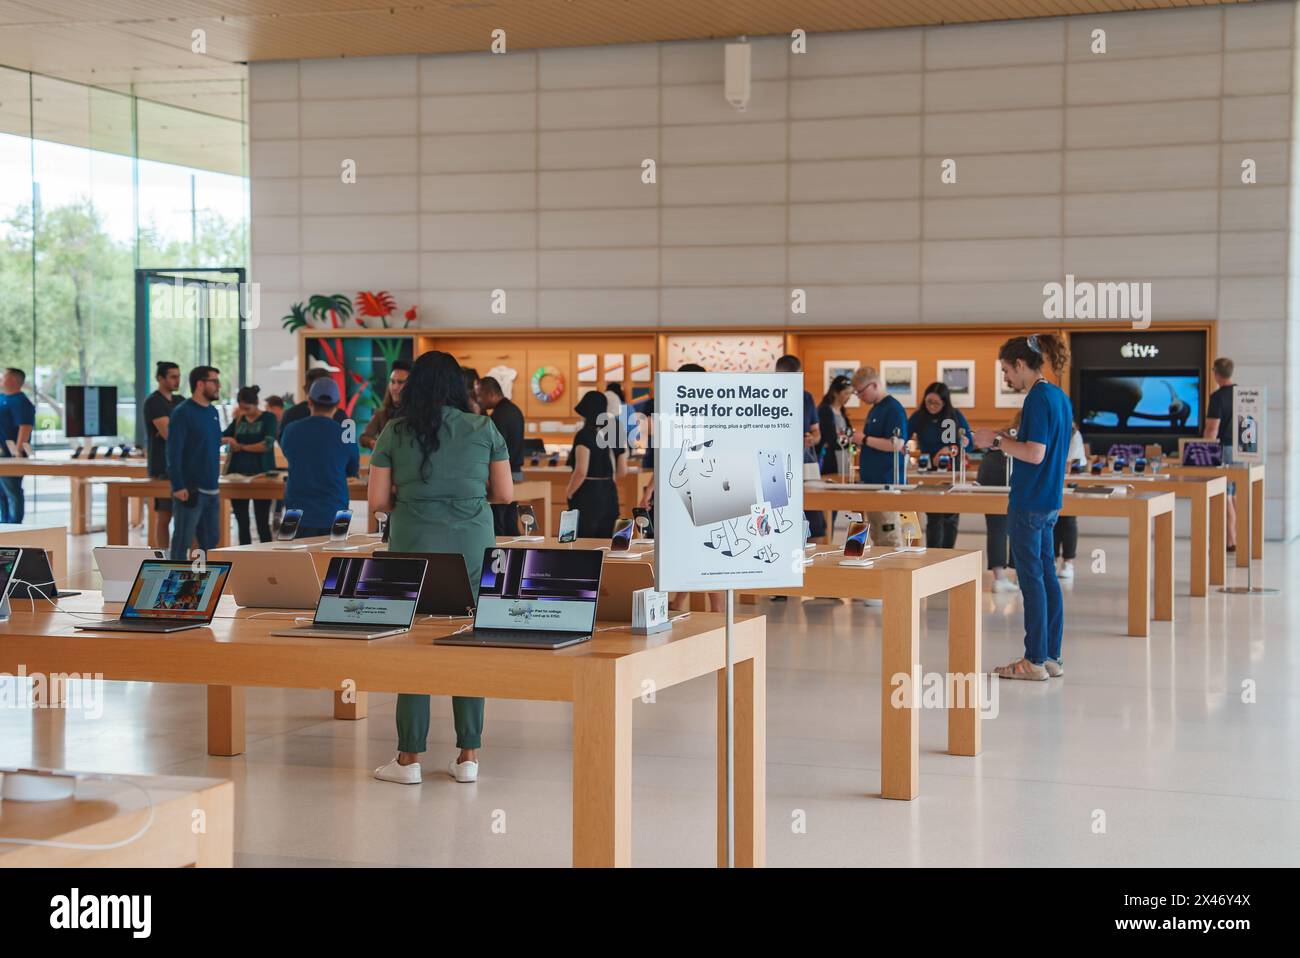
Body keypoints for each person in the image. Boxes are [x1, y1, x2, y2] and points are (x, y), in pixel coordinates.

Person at [369, 351, 512, 786]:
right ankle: (468, 755)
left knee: (411, 645)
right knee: (471, 640)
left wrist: (412, 498)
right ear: (460, 386)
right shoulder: (485, 427)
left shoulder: (394, 430)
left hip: (412, 544)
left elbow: (377, 503)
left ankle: (408, 759)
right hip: (472, 547)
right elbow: (504, 494)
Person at [973, 333, 1072, 682]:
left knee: (1032, 581)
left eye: (1006, 371)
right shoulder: (1059, 397)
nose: (1006, 379)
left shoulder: (1037, 399)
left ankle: (1033, 659)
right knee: (1046, 578)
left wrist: (996, 441)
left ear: (1019, 364)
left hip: (1030, 501)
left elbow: (1034, 452)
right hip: (1048, 501)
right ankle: (1050, 655)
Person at [279, 377, 360, 538]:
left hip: (295, 512)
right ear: (337, 405)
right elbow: (352, 469)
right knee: (335, 560)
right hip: (336, 512)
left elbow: (287, 453)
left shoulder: (291, 430)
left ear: (309, 401)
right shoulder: (346, 434)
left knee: (294, 560)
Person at [167, 366, 224, 561]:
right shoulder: (182, 413)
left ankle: (204, 586)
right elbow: (173, 452)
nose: (219, 386)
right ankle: (172, 587)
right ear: (200, 384)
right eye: (214, 381)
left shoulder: (213, 412)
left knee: (211, 542)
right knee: (182, 542)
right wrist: (178, 485)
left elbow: (213, 444)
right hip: (190, 490)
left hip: (212, 490)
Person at [907, 382, 972, 548]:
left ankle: (948, 554)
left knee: (950, 516)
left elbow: (969, 443)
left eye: (936, 403)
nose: (932, 406)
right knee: (934, 516)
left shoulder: (954, 416)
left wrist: (949, 448)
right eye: (929, 402)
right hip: (929, 471)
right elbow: (903, 437)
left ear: (945, 402)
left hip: (951, 470)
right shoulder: (919, 416)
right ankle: (933, 556)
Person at [851, 365, 908, 547]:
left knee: (889, 538)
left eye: (861, 392)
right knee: (877, 536)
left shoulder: (893, 408)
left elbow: (896, 444)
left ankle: (896, 575)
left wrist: (864, 439)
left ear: (874, 385)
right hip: (871, 483)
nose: (860, 397)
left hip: (887, 484)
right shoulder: (874, 409)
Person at [775, 356, 824, 542]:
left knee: (814, 522)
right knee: (781, 520)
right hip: (777, 467)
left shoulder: (806, 397)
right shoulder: (765, 395)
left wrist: (811, 439)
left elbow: (816, 434)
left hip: (803, 466)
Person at [566, 389, 627, 539]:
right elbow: (622, 470)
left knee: (583, 545)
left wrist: (569, 491)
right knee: (607, 544)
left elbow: (581, 471)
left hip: (588, 495)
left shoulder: (584, 435)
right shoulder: (613, 432)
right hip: (610, 493)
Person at [222, 386, 278, 544]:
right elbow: (221, 436)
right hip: (237, 476)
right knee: (242, 522)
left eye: (247, 408)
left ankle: (266, 557)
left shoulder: (269, 418)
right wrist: (229, 440)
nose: (245, 411)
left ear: (255, 404)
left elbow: (267, 444)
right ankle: (243, 555)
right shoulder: (239, 419)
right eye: (241, 408)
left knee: (262, 521)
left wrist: (241, 447)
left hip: (262, 475)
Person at [476, 376, 525, 535]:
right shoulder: (515, 410)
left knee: (500, 520)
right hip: (517, 471)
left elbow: (495, 450)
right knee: (511, 518)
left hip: (503, 472)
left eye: (480, 395)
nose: (479, 400)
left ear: (490, 393)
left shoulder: (498, 416)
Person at [142, 362, 183, 549]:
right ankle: (163, 556)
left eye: (178, 376)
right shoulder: (154, 402)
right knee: (164, 515)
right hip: (162, 468)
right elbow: (169, 433)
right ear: (160, 378)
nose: (177, 380)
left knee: (186, 516)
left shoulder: (180, 400)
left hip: (183, 466)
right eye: (172, 376)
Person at [980, 411, 1017, 593]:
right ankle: (1018, 577)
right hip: (1008, 473)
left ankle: (1000, 578)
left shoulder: (1001, 435)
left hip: (990, 472)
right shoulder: (1022, 434)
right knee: (1019, 527)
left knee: (996, 527)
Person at [1203, 356, 1237, 551]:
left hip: (1224, 450)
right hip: (1241, 450)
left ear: (1216, 373)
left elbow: (1211, 429)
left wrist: (1205, 452)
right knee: (1234, 495)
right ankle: (1235, 537)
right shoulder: (1242, 394)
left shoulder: (1217, 397)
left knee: (1224, 495)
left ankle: (1230, 541)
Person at [0, 368, 35, 524]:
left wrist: (17, 453)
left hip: (11, 457)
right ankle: (4, 525)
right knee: (2, 494)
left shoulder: (21, 401)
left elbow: (25, 427)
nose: (1, 378)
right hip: (1, 456)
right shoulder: (2, 398)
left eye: (4, 375)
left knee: (12, 492)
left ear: (13, 380)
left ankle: (14, 526)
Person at [1054, 422, 1087, 579]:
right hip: (1054, 473)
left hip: (1073, 474)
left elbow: (1069, 465)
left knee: (1068, 519)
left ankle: (1068, 562)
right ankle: (1052, 559)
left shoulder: (1074, 434)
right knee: (1052, 517)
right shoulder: (1049, 430)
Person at [279, 367, 345, 439]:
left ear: (305, 389)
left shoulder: (290, 416)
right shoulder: (343, 419)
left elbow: (283, 442)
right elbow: (351, 447)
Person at [360, 359, 410, 450]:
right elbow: (363, 438)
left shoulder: (419, 413)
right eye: (392, 382)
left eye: (400, 382)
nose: (394, 387)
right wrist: (373, 443)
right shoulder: (381, 413)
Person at [817, 375, 857, 477]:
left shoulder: (842, 411)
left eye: (850, 394)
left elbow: (849, 433)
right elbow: (830, 438)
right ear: (835, 393)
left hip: (844, 456)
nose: (848, 397)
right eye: (846, 393)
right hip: (830, 458)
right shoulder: (824, 410)